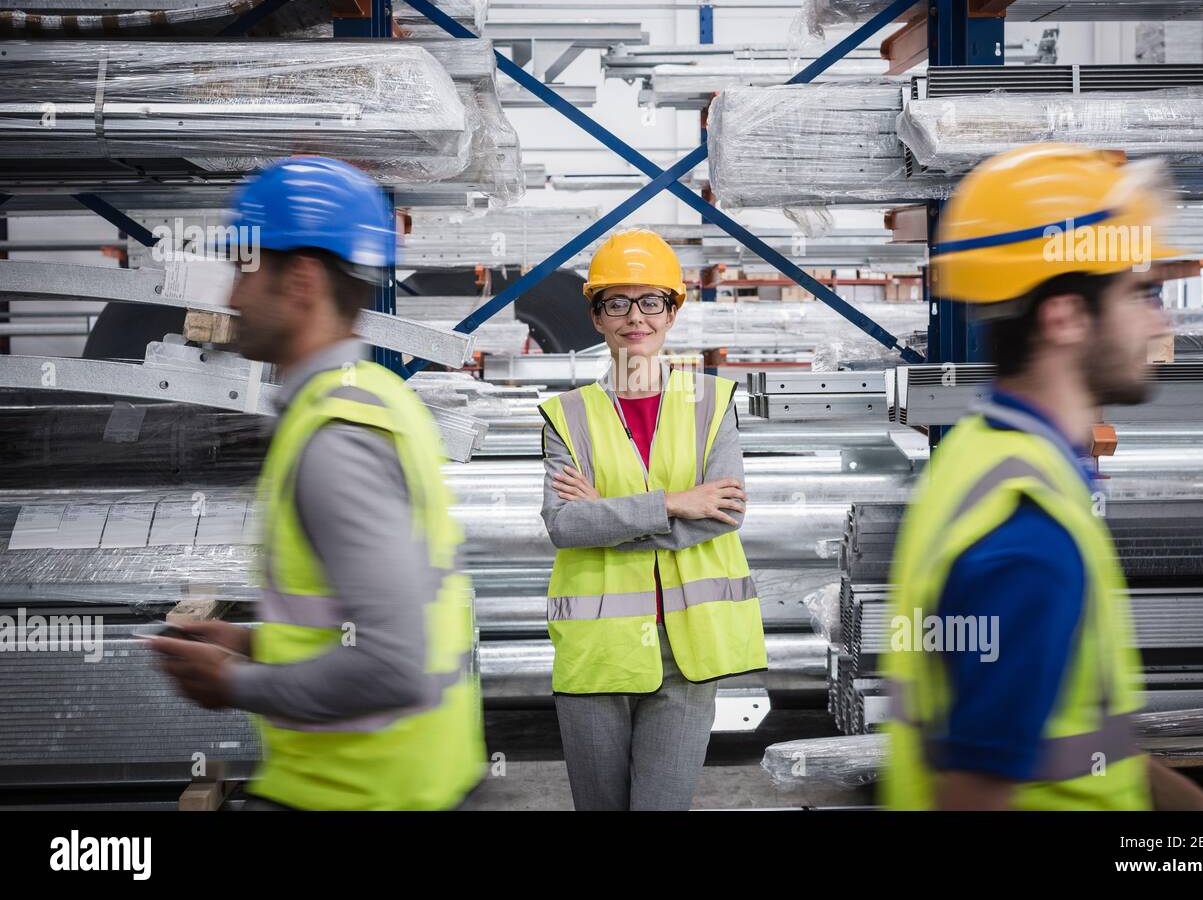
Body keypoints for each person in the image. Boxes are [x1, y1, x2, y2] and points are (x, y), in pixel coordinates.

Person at [883, 143, 1203, 811]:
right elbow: (975, 794)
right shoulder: (1028, 532)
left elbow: (1068, 736)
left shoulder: (990, 452)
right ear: (1065, 316)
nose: (1163, 321)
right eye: (1142, 292)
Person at [151, 156, 485, 811]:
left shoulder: (337, 438)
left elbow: (394, 665)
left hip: (364, 794)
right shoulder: (369, 397)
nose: (230, 298)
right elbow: (352, 621)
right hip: (394, 785)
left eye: (245, 272)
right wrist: (252, 642)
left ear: (301, 281)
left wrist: (237, 682)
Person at [539, 228, 767, 810]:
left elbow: (724, 515)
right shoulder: (567, 415)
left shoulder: (712, 403)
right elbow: (565, 526)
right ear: (596, 317)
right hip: (598, 652)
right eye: (616, 302)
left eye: (650, 301)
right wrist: (672, 502)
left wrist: (609, 518)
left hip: (689, 653)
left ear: (672, 312)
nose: (633, 317)